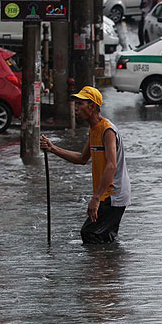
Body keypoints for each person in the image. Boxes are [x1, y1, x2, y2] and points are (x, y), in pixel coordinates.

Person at [40, 86, 131, 244]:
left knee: (90, 233)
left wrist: (96, 198)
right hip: (106, 193)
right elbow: (82, 158)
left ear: (92, 107)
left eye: (80, 104)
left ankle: (102, 267)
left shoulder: (107, 130)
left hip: (114, 194)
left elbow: (111, 166)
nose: (76, 108)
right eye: (76, 104)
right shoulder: (94, 129)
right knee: (102, 236)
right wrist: (53, 148)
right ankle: (109, 264)